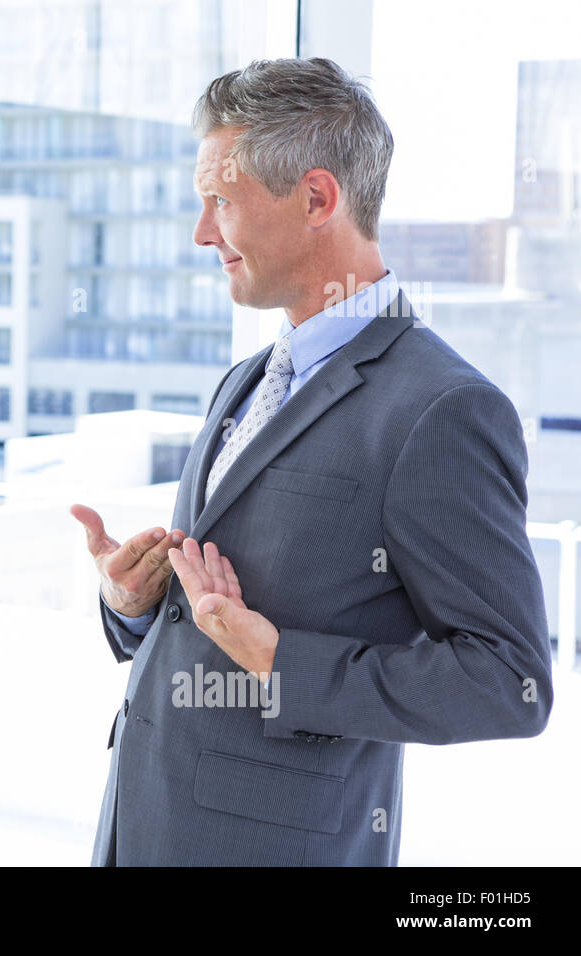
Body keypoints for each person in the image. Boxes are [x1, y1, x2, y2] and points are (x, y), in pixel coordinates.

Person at [71, 57, 553, 865]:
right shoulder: (249, 378)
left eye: (219, 202)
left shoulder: (443, 409)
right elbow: (210, 616)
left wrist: (276, 661)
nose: (200, 232)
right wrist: (133, 603)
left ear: (318, 198)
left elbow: (508, 682)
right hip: (140, 826)